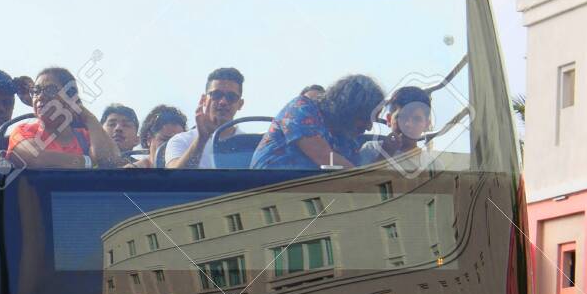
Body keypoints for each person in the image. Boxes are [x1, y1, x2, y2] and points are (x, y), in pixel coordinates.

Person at [251, 74, 385, 172]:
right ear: (348, 109)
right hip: (267, 191)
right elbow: (325, 158)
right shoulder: (301, 109)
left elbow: (356, 170)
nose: (369, 127)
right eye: (365, 118)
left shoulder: (347, 141)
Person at [6, 67, 123, 170]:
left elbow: (110, 162)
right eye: (36, 91)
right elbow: (34, 158)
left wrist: (89, 118)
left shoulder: (85, 137)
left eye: (50, 90)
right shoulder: (23, 131)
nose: (40, 96)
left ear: (70, 99)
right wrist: (90, 162)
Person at [165, 68, 245, 169]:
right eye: (216, 95)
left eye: (231, 97)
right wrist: (202, 139)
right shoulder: (181, 141)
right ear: (204, 100)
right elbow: (173, 178)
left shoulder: (252, 145)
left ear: (240, 104)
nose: (223, 102)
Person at [358, 85, 433, 165]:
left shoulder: (432, 165)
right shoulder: (371, 149)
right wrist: (384, 155)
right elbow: (360, 177)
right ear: (389, 119)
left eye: (417, 119)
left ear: (426, 125)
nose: (408, 124)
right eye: (402, 117)